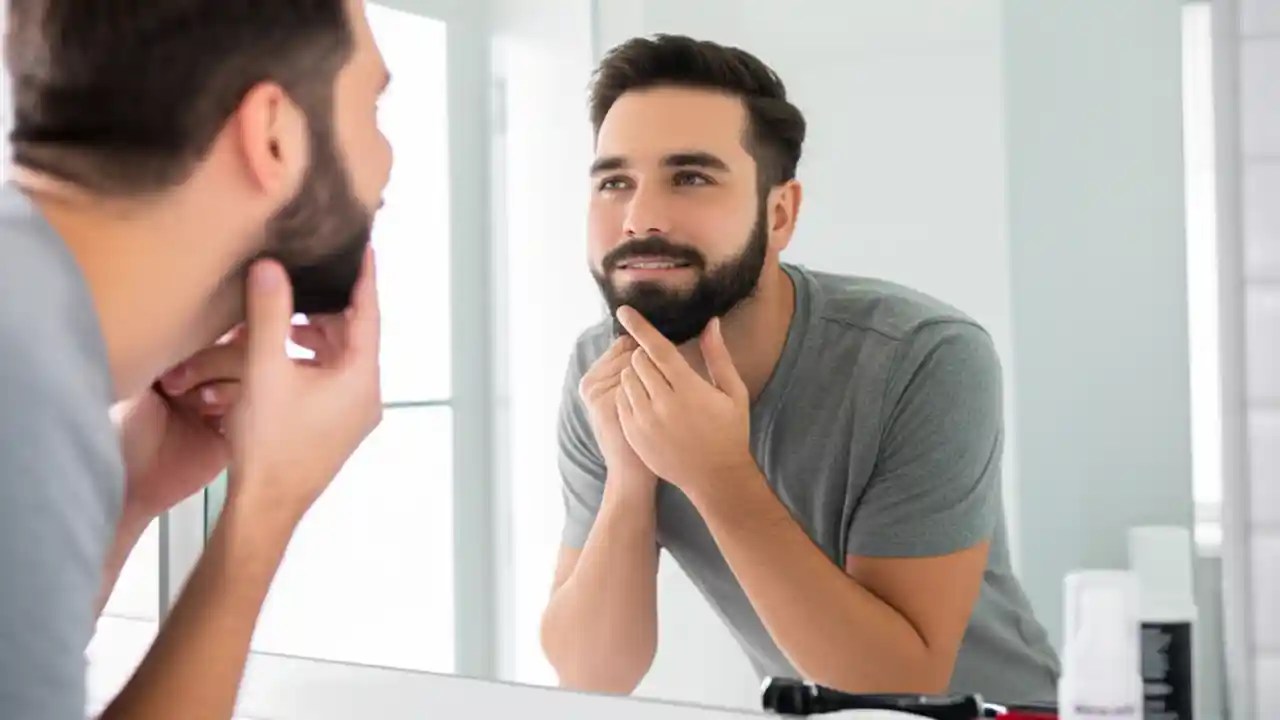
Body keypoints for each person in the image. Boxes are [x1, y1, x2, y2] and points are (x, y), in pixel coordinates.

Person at [539, 34, 1060, 705]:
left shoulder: (923, 359)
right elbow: (592, 674)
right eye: (615, 182)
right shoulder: (601, 370)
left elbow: (904, 681)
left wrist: (718, 476)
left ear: (778, 213)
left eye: (691, 177)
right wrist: (631, 474)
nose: (640, 218)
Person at [0, 1, 392, 717]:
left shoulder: (27, 336)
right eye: (373, 106)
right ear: (273, 135)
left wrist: (129, 495)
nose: (387, 164)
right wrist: (263, 511)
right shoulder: (24, 387)